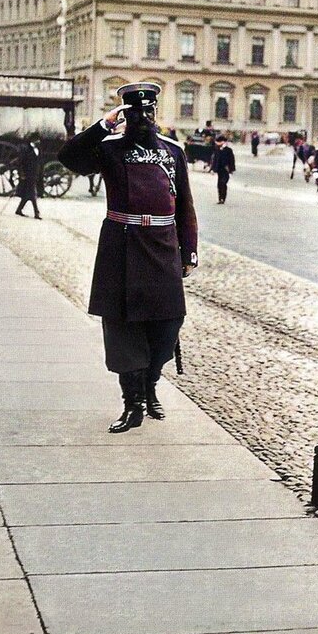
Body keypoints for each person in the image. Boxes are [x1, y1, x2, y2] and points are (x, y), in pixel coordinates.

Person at [58, 83, 198, 434]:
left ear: (155, 115)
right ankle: (132, 404)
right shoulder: (110, 150)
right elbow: (69, 158)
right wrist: (103, 125)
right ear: (124, 115)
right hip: (121, 245)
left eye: (147, 113)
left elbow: (185, 205)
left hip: (163, 245)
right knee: (122, 328)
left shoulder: (172, 151)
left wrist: (189, 249)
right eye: (134, 113)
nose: (142, 118)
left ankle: (150, 384)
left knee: (167, 325)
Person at [14, 133, 43, 219]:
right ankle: (36, 213)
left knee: (27, 195)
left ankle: (19, 209)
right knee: (33, 194)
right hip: (27, 174)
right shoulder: (26, 149)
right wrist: (21, 174)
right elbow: (20, 163)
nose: (39, 141)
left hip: (34, 174)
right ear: (33, 140)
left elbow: (39, 162)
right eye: (37, 139)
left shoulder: (38, 149)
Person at [211, 134, 235, 204]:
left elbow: (232, 160)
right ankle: (220, 198)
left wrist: (231, 169)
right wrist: (213, 169)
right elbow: (215, 160)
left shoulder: (228, 150)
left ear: (222, 142)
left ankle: (223, 198)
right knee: (219, 184)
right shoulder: (217, 150)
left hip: (226, 170)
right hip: (219, 170)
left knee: (223, 183)